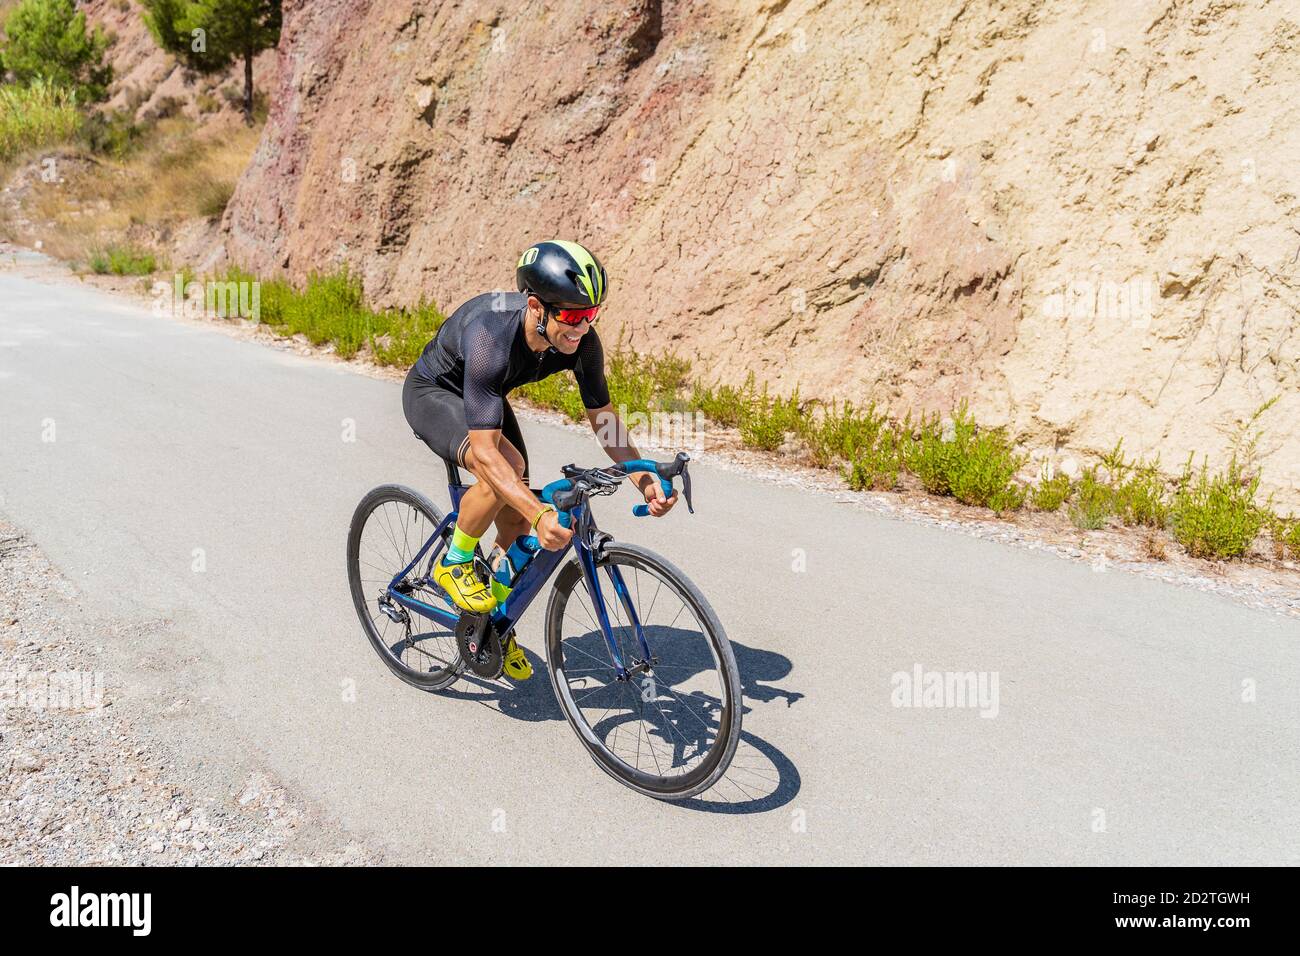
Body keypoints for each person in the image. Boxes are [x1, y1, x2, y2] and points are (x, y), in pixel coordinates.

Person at [401, 240, 677, 679]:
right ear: (536, 307)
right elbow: (489, 456)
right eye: (571, 315)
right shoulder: (492, 335)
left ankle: (492, 625)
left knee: (514, 519)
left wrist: (643, 480)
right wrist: (540, 511)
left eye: (591, 314)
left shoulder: (581, 342)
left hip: (485, 399)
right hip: (436, 393)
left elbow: (604, 419)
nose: (581, 327)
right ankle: (454, 561)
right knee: (504, 471)